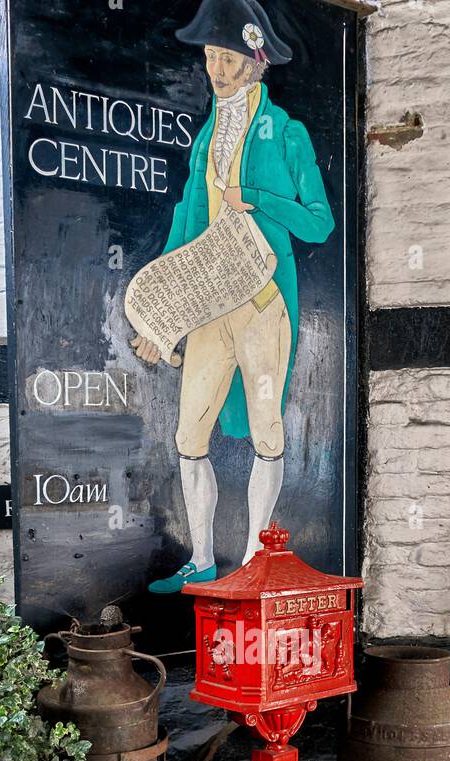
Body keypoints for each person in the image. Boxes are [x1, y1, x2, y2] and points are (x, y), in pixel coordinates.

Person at [133, 0, 335, 594]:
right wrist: (162, 315)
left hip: (263, 299)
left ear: (257, 61)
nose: (217, 69)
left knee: (267, 429)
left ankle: (252, 562)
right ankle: (201, 559)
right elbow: (187, 224)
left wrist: (256, 197)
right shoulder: (205, 139)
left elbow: (319, 223)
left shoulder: (288, 134)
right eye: (211, 56)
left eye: (229, 58)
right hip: (206, 302)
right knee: (189, 436)